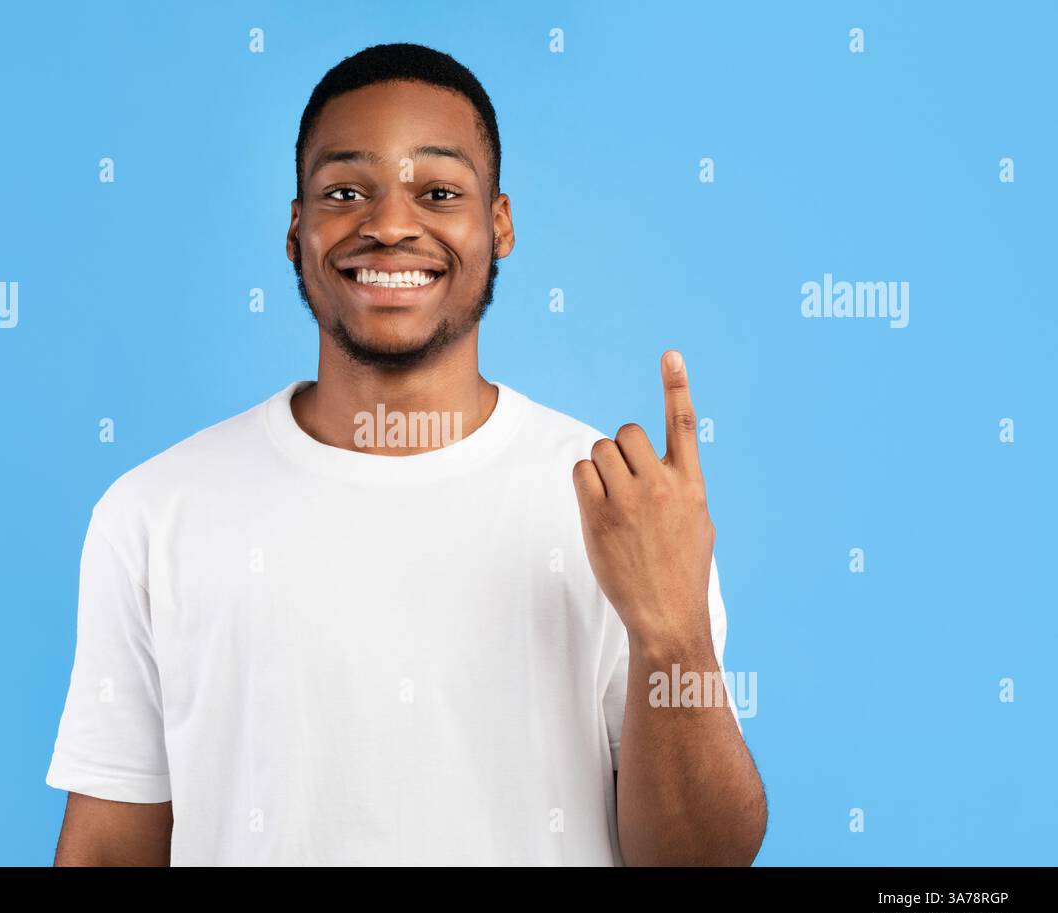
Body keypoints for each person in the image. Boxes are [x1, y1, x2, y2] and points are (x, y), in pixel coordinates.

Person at [46, 42, 766, 866]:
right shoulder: (151, 514)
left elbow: (702, 861)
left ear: (499, 224)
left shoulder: (621, 509)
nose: (389, 225)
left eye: (439, 191)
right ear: (296, 228)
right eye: (346, 191)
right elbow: (107, 850)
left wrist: (672, 632)